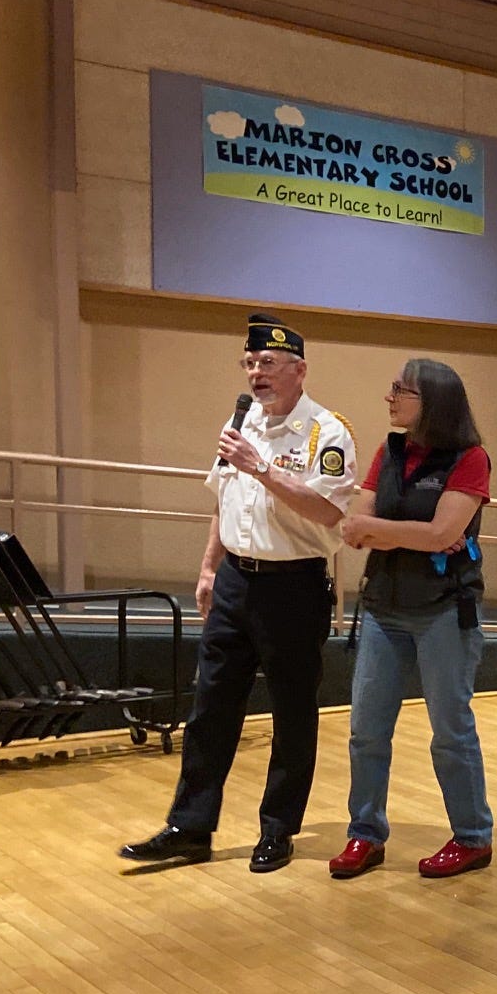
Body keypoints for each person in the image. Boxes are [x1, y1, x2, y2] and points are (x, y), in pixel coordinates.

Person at [121, 314, 356, 873]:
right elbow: (223, 499)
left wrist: (264, 469)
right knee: (211, 707)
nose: (257, 373)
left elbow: (329, 513)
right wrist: (208, 569)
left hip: (293, 586)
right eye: (249, 363)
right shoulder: (242, 422)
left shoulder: (328, 432)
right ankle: (190, 826)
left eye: (268, 363)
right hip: (234, 583)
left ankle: (278, 830)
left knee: (292, 713)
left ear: (299, 370)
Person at [330, 359, 495, 880]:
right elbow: (355, 528)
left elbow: (442, 532)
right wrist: (416, 532)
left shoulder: (471, 459)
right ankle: (364, 834)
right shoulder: (390, 451)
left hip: (445, 610)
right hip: (383, 608)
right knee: (366, 730)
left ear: (434, 402)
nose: (390, 397)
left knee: (450, 730)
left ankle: (472, 837)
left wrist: (390, 529)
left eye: (401, 390)